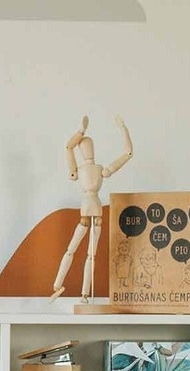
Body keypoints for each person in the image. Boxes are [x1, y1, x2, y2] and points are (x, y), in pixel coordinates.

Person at [51, 115, 133, 302]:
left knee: (77, 250)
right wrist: (123, 130)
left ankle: (68, 288)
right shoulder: (100, 169)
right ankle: (82, 293)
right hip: (94, 207)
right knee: (89, 254)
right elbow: (128, 154)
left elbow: (68, 147)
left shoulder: (80, 170)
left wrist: (81, 132)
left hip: (89, 207)